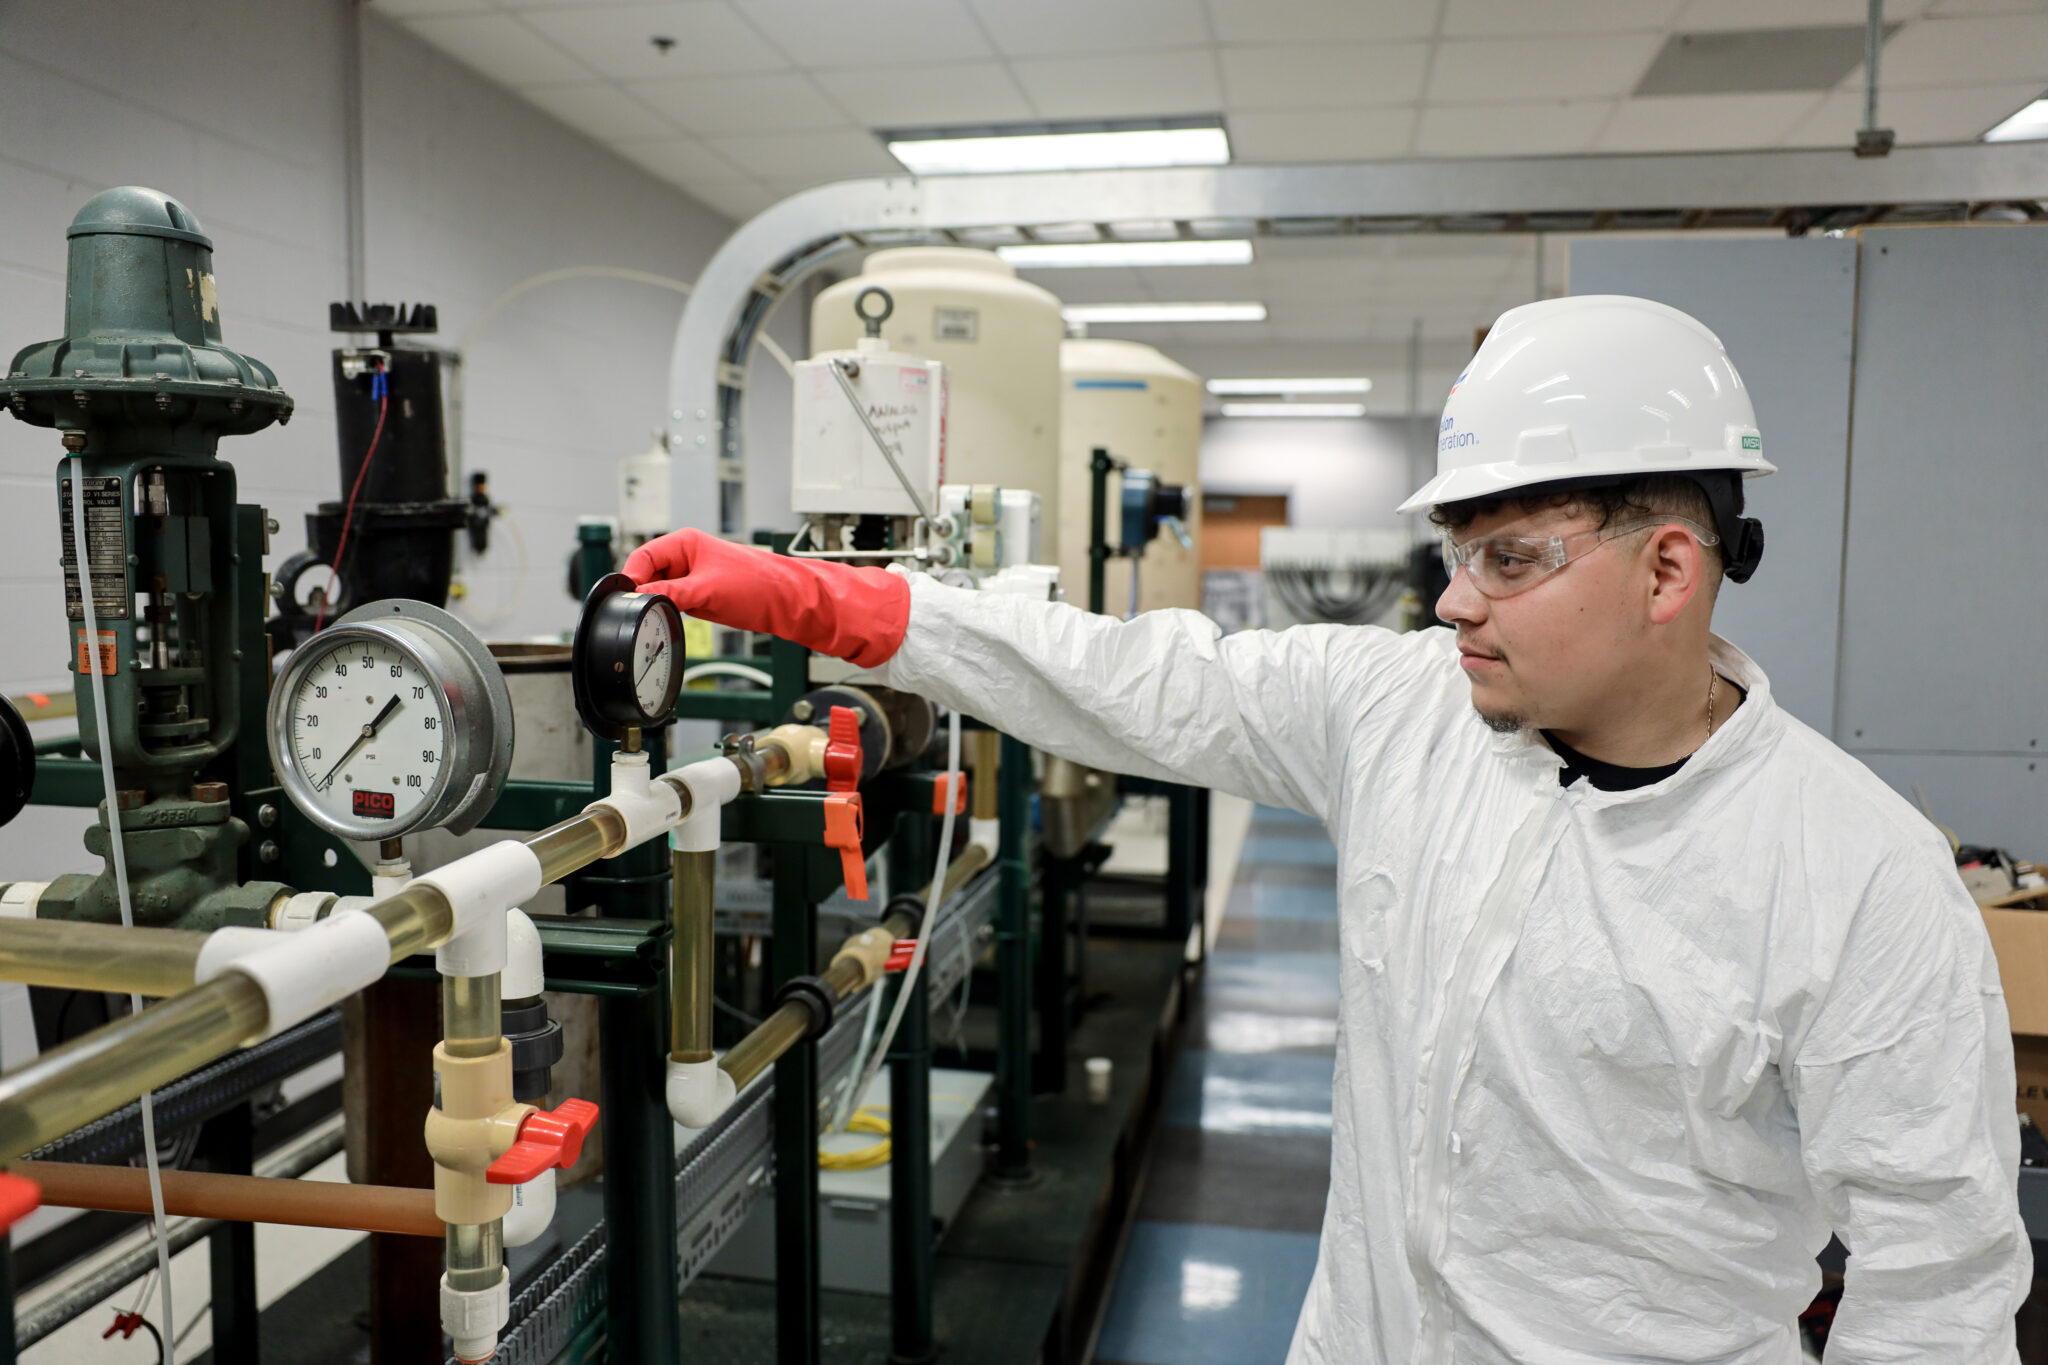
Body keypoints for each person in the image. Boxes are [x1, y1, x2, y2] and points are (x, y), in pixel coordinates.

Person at [624, 295, 2030, 1363]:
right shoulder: (1402, 713)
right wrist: (842, 606)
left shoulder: (1856, 878)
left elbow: (1936, 1288)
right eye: (1453, 554)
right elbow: (1137, 676)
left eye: (1511, 558)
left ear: (1672, 565)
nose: (1455, 602)